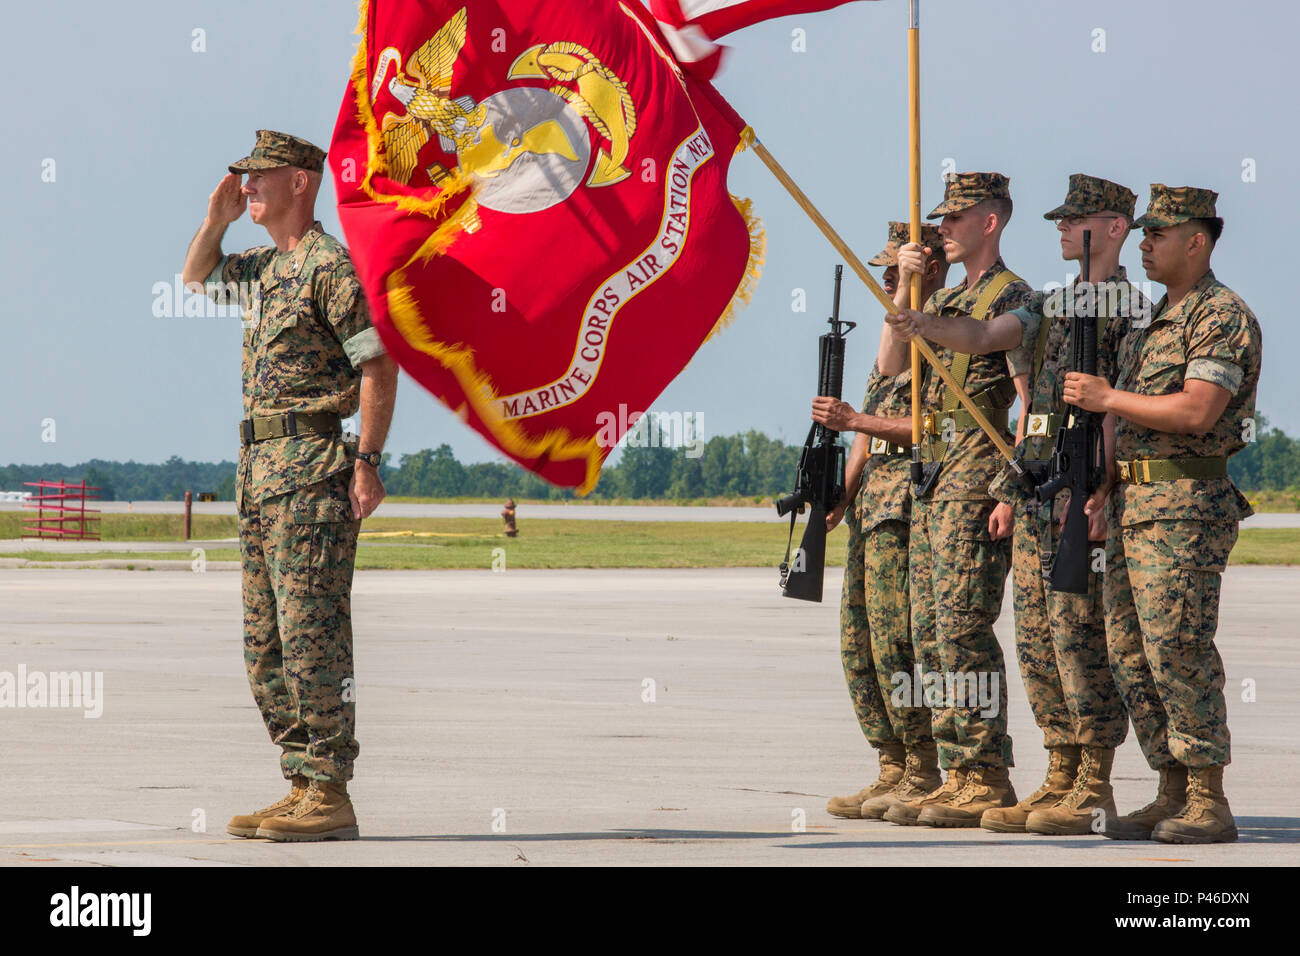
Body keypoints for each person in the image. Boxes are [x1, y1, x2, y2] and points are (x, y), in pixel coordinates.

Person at [886, 174, 1145, 834]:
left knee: (1080, 640)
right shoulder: (1050, 307)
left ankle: (1092, 784)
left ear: (1115, 228)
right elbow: (1013, 376)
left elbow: (1119, 409)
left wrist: (1102, 487)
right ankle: (1059, 772)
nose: (1061, 228)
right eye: (1059, 219)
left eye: (1076, 219)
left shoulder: (1133, 310)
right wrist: (1014, 485)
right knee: (1038, 642)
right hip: (1039, 488)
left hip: (1083, 492)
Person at [181, 130, 399, 842]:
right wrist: (214, 220)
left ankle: (330, 790)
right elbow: (196, 279)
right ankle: (302, 782)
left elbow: (378, 364)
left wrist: (368, 460)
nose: (246, 186)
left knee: (313, 640)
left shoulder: (329, 268)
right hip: (260, 476)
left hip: (312, 475)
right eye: (243, 177)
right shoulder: (266, 267)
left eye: (259, 176)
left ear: (300, 182)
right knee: (265, 647)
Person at [1063, 184, 1261, 844]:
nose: (1144, 245)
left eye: (1158, 234)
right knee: (1130, 653)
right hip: (1133, 506)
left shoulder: (1219, 315)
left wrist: (1106, 396)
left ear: (1197, 241)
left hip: (1185, 510)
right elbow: (1126, 421)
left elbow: (1197, 411)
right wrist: (1102, 485)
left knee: (1177, 646)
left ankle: (1208, 796)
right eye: (1143, 234)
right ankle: (1171, 787)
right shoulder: (1153, 323)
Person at [876, 172, 1033, 827]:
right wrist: (908, 289)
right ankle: (955, 768)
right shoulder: (946, 296)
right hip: (935, 473)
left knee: (965, 628)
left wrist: (1012, 489)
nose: (942, 227)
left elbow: (1026, 399)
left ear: (990, 221)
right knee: (930, 632)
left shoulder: (1013, 295)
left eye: (955, 217)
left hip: (978, 473)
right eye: (940, 218)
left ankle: (985, 772)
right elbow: (891, 366)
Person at [822, 222, 947, 820]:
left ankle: (922, 765)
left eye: (898, 272)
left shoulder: (946, 332)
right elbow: (866, 428)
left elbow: (938, 427)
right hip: (872, 507)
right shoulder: (894, 337)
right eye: (888, 273)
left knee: (901, 643)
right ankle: (891, 763)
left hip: (910, 506)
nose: (889, 281)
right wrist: (841, 496)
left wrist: (856, 422)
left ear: (930, 270)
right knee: (861, 644)